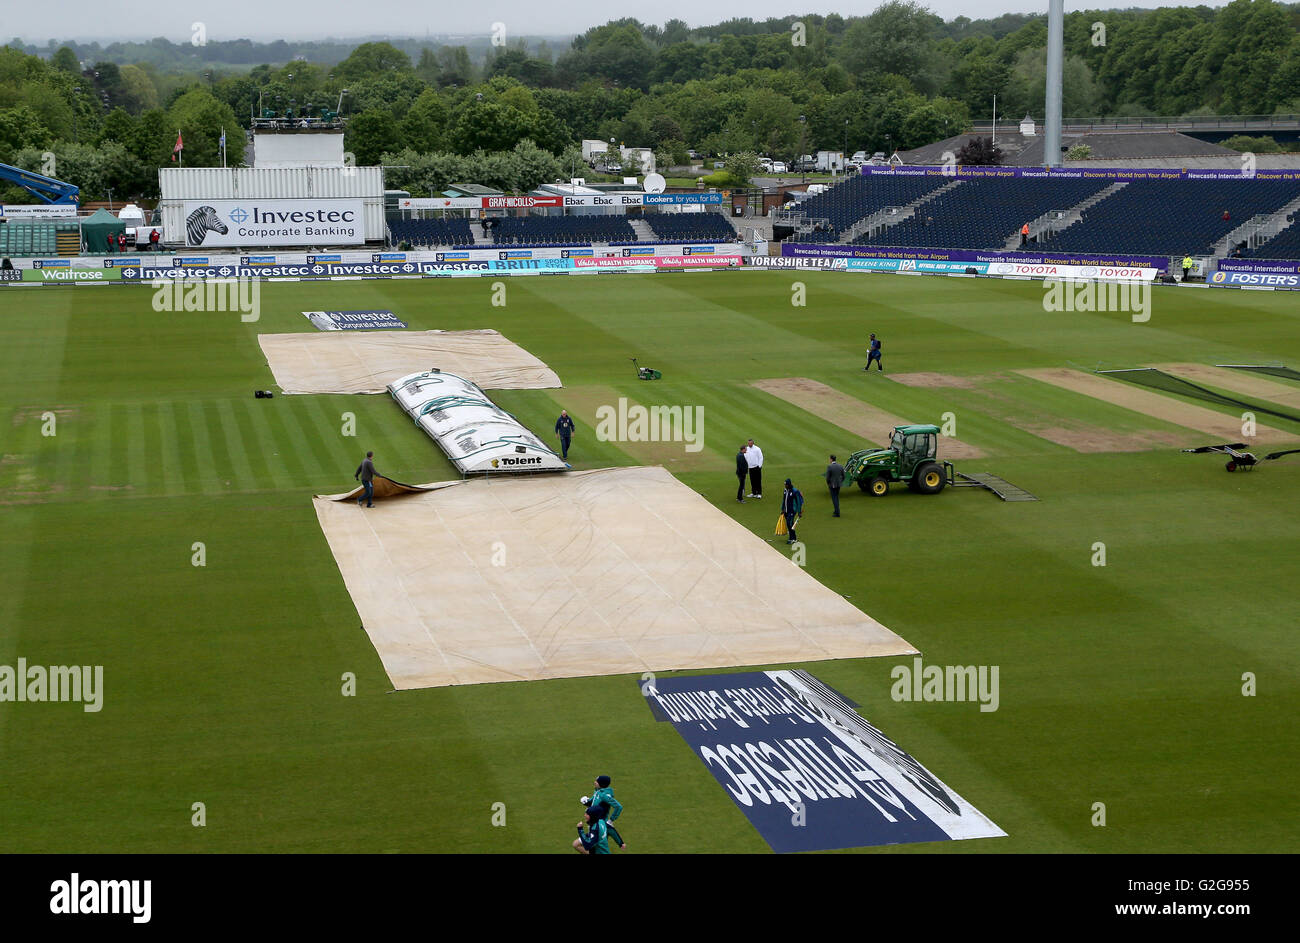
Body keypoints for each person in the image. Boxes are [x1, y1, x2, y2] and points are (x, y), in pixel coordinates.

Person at [584, 775, 627, 850]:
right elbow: (593, 802)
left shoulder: (604, 795)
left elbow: (618, 807)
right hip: (593, 823)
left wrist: (611, 820)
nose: (594, 782)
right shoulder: (598, 791)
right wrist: (586, 802)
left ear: (602, 784)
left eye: (597, 781)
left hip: (598, 825)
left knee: (584, 846)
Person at [781, 479, 803, 544]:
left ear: (789, 484)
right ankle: (793, 538)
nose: (785, 486)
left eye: (786, 485)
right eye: (785, 484)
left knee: (789, 523)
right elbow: (784, 500)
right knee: (790, 524)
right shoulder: (785, 491)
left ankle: (792, 538)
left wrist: (799, 512)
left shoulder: (795, 491)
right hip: (786, 510)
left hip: (792, 510)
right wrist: (782, 509)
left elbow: (798, 502)